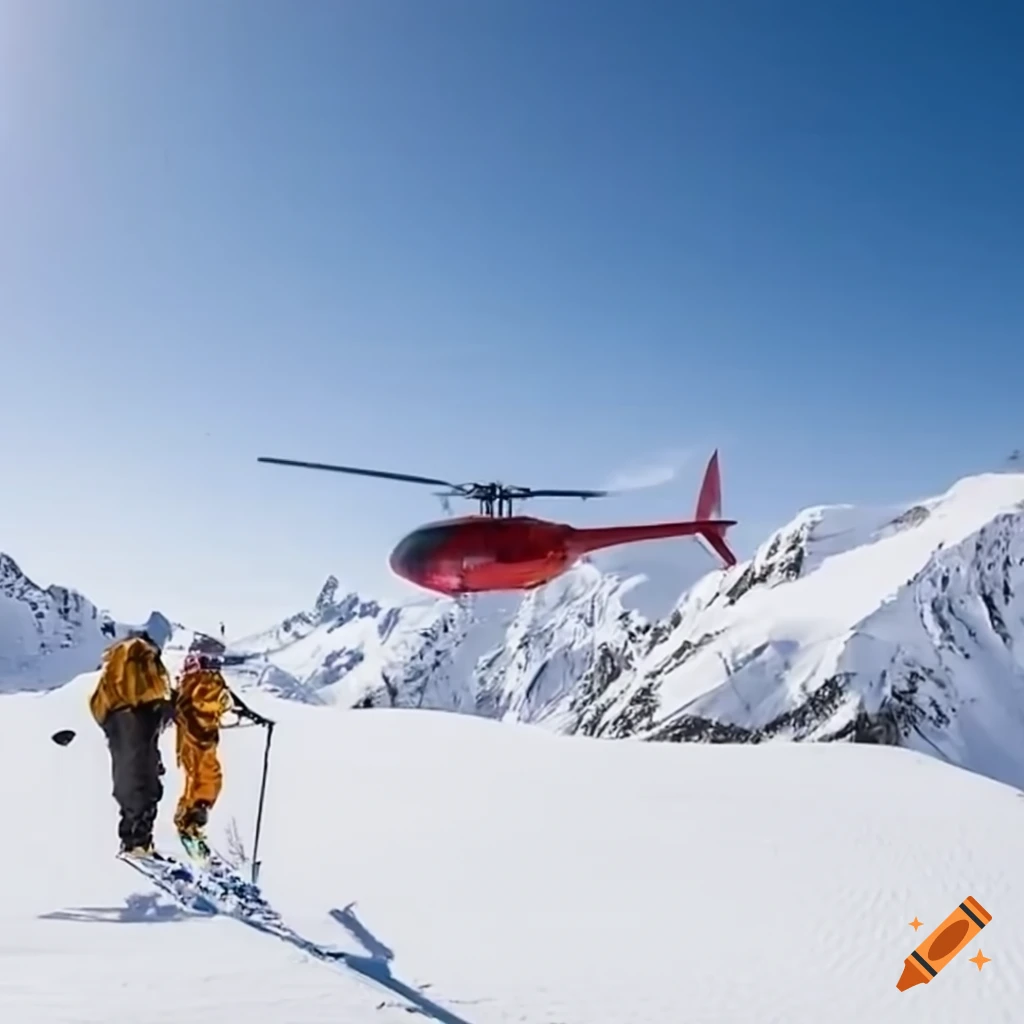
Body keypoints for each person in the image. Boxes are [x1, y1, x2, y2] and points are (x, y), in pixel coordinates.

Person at [89, 613, 174, 856]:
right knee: (144, 782)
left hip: (117, 721)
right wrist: (164, 706)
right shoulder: (140, 651)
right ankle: (139, 843)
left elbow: (99, 701)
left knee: (129, 778)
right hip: (137, 718)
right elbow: (149, 688)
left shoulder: (117, 654)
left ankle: (132, 839)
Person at [172, 651, 237, 856]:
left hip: (199, 740)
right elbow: (205, 707)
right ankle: (189, 822)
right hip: (198, 740)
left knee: (202, 778)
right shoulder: (204, 683)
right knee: (202, 778)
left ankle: (191, 819)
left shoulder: (196, 683)